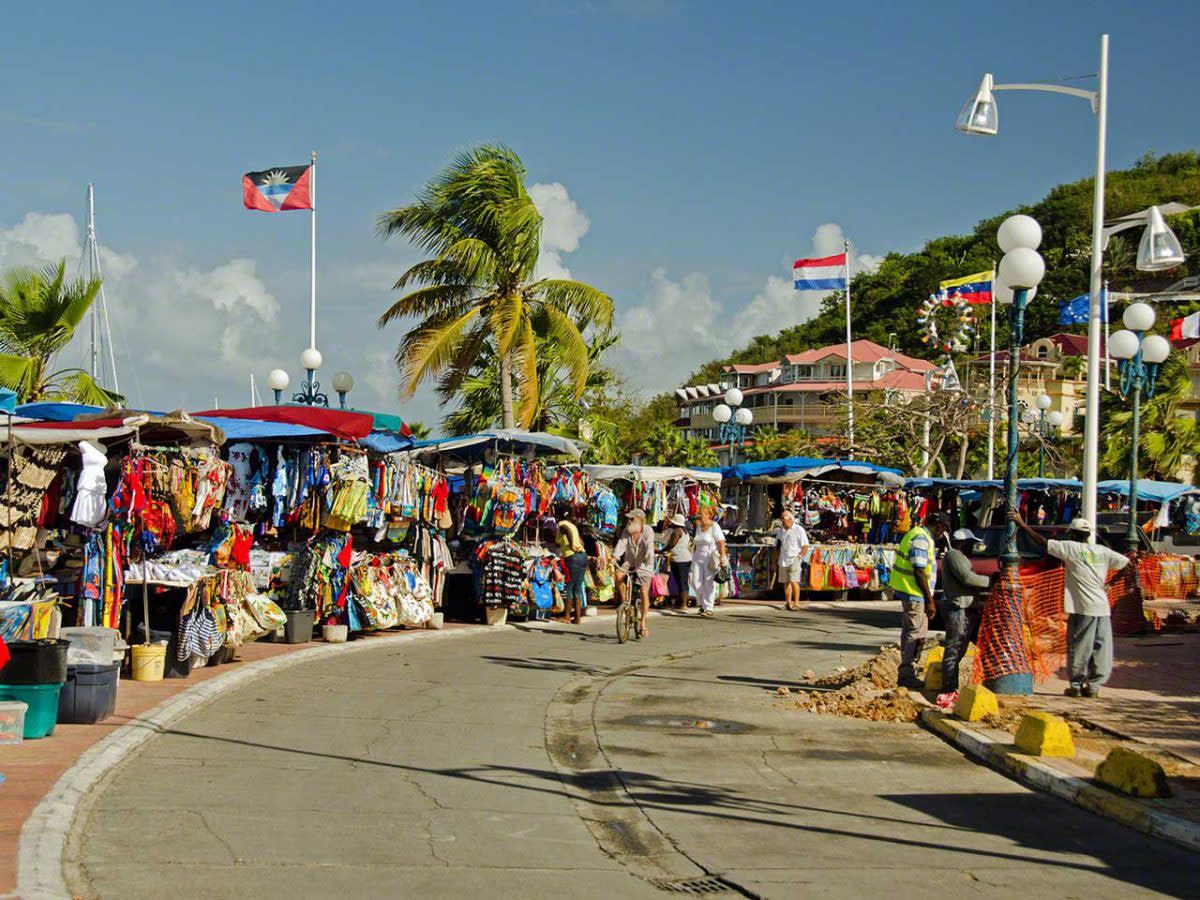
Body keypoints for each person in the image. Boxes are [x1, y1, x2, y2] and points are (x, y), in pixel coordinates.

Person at [1010, 512, 1129, 698]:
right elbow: (1127, 565)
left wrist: (1022, 525)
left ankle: (1076, 685)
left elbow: (1043, 542)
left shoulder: (1071, 548)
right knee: (1101, 647)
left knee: (1079, 646)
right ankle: (1094, 686)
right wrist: (1111, 584)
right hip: (1102, 607)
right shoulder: (1103, 552)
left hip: (1082, 607)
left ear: (1073, 534)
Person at [935, 528, 993, 709]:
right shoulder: (954, 556)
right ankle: (948, 690)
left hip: (969, 609)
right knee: (954, 651)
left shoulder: (960, 557)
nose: (972, 547)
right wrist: (990, 581)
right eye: (970, 544)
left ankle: (983, 684)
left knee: (979, 646)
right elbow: (967, 578)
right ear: (962, 543)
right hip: (959, 609)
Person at [890, 512, 949, 687]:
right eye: (942, 530)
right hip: (914, 593)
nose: (942, 535)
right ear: (938, 527)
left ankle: (909, 670)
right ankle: (906, 674)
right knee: (915, 634)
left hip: (912, 592)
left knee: (914, 633)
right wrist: (930, 600)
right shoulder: (921, 538)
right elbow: (919, 571)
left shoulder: (919, 535)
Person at [614, 508, 656, 637]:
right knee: (618, 574)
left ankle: (643, 622)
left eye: (632, 519)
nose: (629, 521)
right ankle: (625, 604)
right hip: (630, 561)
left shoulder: (648, 531)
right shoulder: (628, 531)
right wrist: (614, 557)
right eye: (629, 519)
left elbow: (649, 547)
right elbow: (621, 544)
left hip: (644, 563)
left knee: (644, 591)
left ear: (640, 521)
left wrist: (649, 558)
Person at [689, 504, 728, 618]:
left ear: (708, 515)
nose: (699, 516)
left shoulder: (714, 526)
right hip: (697, 557)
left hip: (709, 556)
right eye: (699, 514)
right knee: (695, 581)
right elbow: (696, 543)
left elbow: (721, 542)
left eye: (701, 514)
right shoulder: (698, 527)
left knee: (708, 582)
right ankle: (702, 602)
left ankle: (708, 607)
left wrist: (723, 557)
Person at [773, 507, 810, 611]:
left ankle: (797, 603)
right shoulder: (781, 531)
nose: (782, 522)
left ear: (790, 519)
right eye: (781, 519)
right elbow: (777, 545)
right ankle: (788, 603)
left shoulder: (799, 530)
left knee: (794, 581)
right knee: (786, 582)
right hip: (783, 559)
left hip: (794, 558)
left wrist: (799, 557)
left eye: (783, 519)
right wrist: (774, 560)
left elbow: (805, 546)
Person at [556, 519, 588, 625]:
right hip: (583, 556)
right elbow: (581, 541)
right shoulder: (573, 526)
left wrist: (572, 546)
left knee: (569, 586)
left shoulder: (562, 525)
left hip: (572, 557)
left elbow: (567, 531)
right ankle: (578, 618)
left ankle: (567, 616)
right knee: (577, 587)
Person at [663, 512, 693, 609]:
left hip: (679, 559)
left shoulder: (677, 531)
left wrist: (661, 550)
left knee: (681, 581)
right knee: (683, 581)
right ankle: (682, 602)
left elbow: (671, 545)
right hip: (686, 558)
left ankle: (683, 604)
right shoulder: (685, 531)